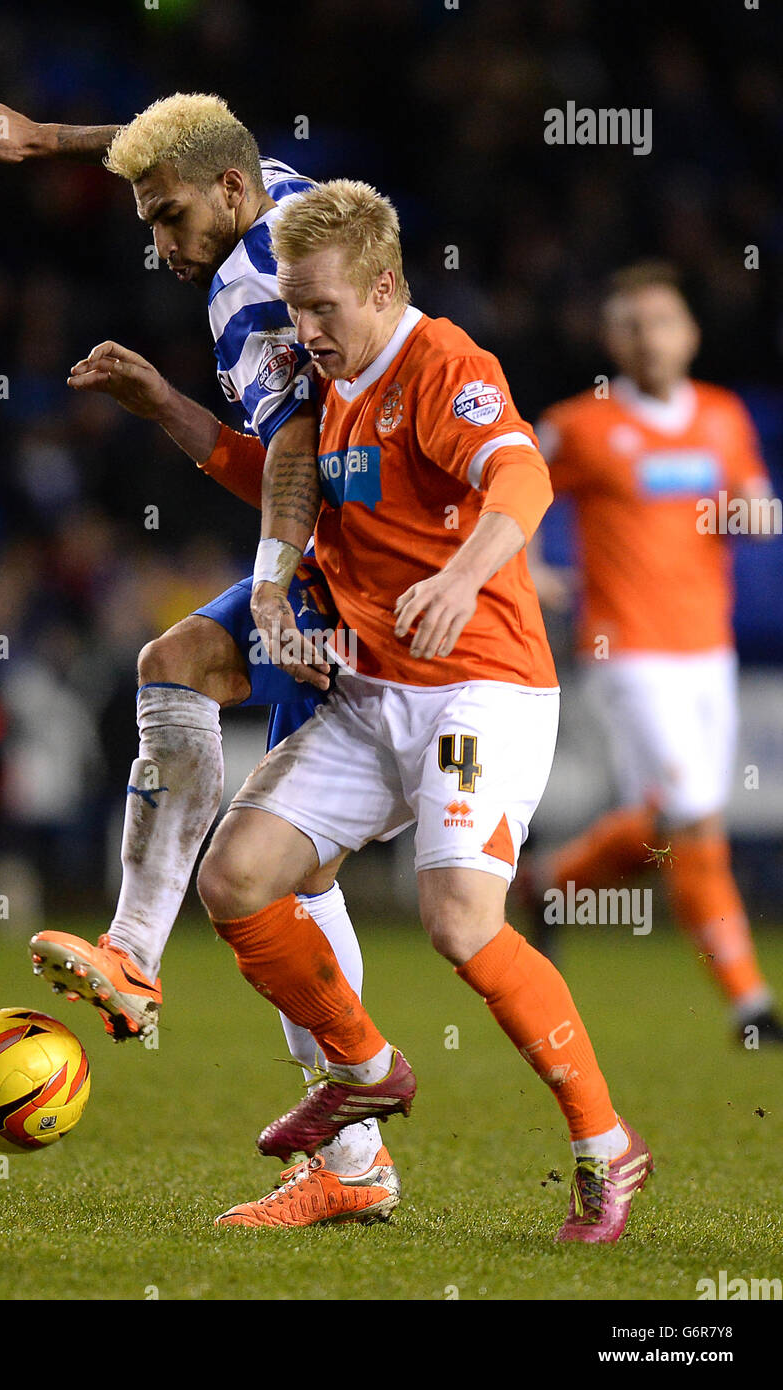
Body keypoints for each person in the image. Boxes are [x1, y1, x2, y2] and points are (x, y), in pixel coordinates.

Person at [0, 92, 400, 1225]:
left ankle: (348, 1145)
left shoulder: (250, 287)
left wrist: (280, 579)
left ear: (227, 201)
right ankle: (151, 966)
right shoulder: (275, 193)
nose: (160, 243)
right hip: (368, 539)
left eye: (169, 218)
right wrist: (51, 142)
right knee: (179, 667)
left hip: (358, 568)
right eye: (147, 220)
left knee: (280, 856)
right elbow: (196, 142)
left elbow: (284, 453)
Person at [196, 179, 653, 1243]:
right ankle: (365, 1070)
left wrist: (463, 578)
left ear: (385, 286)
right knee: (236, 876)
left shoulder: (442, 363)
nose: (304, 333)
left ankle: (604, 1143)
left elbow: (521, 474)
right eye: (293, 310)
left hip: (476, 691)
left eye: (322, 309)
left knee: (457, 921)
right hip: (371, 691)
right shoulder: (340, 381)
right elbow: (276, 482)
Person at [525, 261, 782, 1046]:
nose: (649, 337)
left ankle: (549, 884)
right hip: (626, 650)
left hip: (709, 649)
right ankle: (750, 1005)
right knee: (693, 818)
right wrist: (528, 564)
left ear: (690, 333)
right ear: (610, 338)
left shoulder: (723, 415)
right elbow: (515, 480)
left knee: (668, 827)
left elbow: (754, 503)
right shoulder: (583, 423)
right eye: (631, 324)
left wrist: (755, 515)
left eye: (663, 321)